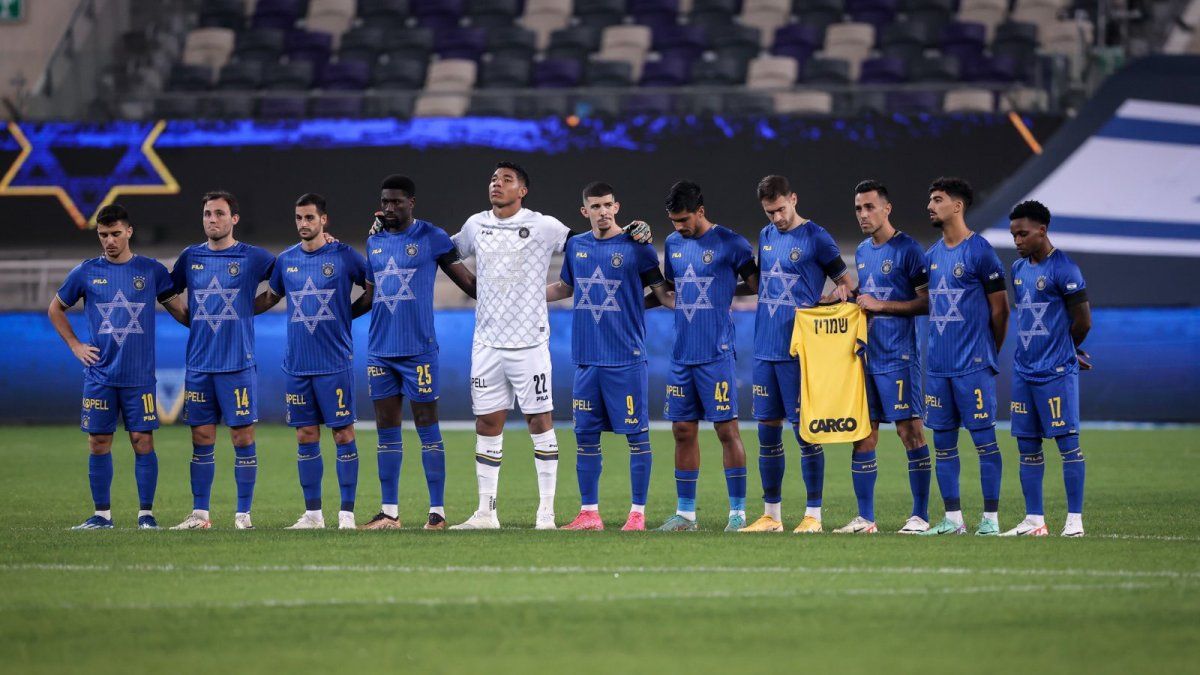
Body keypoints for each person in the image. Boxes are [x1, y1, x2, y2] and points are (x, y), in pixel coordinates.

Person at [449, 162, 651, 530]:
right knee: (487, 422)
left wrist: (632, 233)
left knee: (539, 421)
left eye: (506, 179)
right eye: (493, 178)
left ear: (522, 190)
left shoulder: (545, 225)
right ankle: (485, 512)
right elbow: (445, 252)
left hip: (530, 342)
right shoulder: (474, 224)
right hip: (487, 342)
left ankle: (546, 513)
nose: (497, 184)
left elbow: (591, 243)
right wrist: (472, 286)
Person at [48, 204, 187, 529]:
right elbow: (56, 309)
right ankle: (102, 515)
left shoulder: (151, 271)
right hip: (100, 375)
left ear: (128, 232)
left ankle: (146, 516)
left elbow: (179, 311)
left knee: (143, 441)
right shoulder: (85, 272)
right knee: (98, 442)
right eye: (103, 235)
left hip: (139, 377)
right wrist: (75, 345)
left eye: (114, 233)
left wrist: (207, 322)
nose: (109, 240)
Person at [546, 182, 673, 531]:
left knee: (637, 438)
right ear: (584, 212)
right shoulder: (577, 246)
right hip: (587, 360)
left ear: (617, 207)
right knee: (585, 438)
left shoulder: (638, 247)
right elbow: (565, 288)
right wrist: (525, 295)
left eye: (607, 205)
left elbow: (664, 295)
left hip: (626, 358)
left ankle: (637, 514)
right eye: (595, 206)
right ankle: (589, 514)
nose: (602, 212)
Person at [738, 175, 854, 534]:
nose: (776, 218)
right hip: (765, 351)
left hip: (799, 353)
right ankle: (771, 515)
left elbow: (846, 283)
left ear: (794, 198)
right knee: (767, 434)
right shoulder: (767, 236)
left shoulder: (816, 237)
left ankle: (813, 515)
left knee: (806, 434)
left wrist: (828, 302)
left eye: (780, 209)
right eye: (769, 212)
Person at [360, 174, 476, 531]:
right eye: (385, 202)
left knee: (428, 427)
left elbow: (470, 284)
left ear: (411, 202)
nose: (389, 208)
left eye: (397, 202)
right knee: (386, 431)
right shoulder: (374, 242)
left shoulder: (432, 237)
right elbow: (369, 294)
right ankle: (389, 513)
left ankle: (437, 512)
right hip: (380, 351)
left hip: (419, 351)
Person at [255, 193, 371, 530]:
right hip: (297, 365)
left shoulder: (344, 255)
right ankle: (313, 515)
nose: (303, 224)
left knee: (343, 435)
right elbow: (270, 297)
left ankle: (346, 515)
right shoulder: (286, 261)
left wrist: (346, 316)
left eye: (310, 218)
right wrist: (237, 311)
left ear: (324, 220)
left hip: (334, 362)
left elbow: (373, 287)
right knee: (306, 435)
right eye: (299, 218)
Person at [170, 191, 277, 530]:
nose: (211, 219)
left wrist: (250, 309)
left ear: (234, 219)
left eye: (219, 213)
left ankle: (243, 515)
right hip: (200, 365)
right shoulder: (190, 257)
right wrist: (193, 318)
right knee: (201, 439)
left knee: (242, 439)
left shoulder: (253, 257)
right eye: (206, 214)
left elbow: (288, 279)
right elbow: (168, 292)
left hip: (237, 365)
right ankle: (200, 515)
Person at [656, 181, 759, 532]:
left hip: (716, 354)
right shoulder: (672, 244)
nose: (678, 226)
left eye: (683, 219)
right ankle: (686, 515)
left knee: (726, 429)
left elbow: (757, 284)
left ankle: (738, 513)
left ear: (700, 211)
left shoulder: (732, 243)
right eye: (673, 220)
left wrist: (724, 286)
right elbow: (672, 288)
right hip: (682, 354)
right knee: (683, 431)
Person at [919, 177, 1010, 536]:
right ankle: (953, 519)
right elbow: (924, 301)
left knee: (984, 441)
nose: (930, 206)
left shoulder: (980, 251)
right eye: (931, 199)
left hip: (973, 366)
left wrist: (988, 351)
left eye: (938, 199)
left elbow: (1000, 311)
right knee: (942, 444)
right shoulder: (931, 256)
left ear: (957, 206)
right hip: (938, 368)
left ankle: (990, 519)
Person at [841, 179, 932, 535]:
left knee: (910, 432)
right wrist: (848, 300)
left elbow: (927, 301)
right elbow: (869, 295)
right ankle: (865, 518)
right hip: (867, 358)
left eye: (869, 207)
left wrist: (881, 305)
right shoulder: (863, 251)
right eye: (858, 209)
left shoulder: (909, 249)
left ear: (886, 208)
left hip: (899, 356)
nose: (863, 214)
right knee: (863, 434)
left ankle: (920, 516)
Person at [1004, 200, 1090, 537]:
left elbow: (1082, 321)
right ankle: (1034, 520)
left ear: (1042, 230)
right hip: (1024, 370)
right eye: (1013, 235)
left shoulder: (1065, 269)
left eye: (1023, 233)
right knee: (1027, 445)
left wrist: (1066, 349)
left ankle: (1074, 520)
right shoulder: (1018, 270)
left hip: (1056, 372)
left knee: (1068, 444)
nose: (1018, 240)